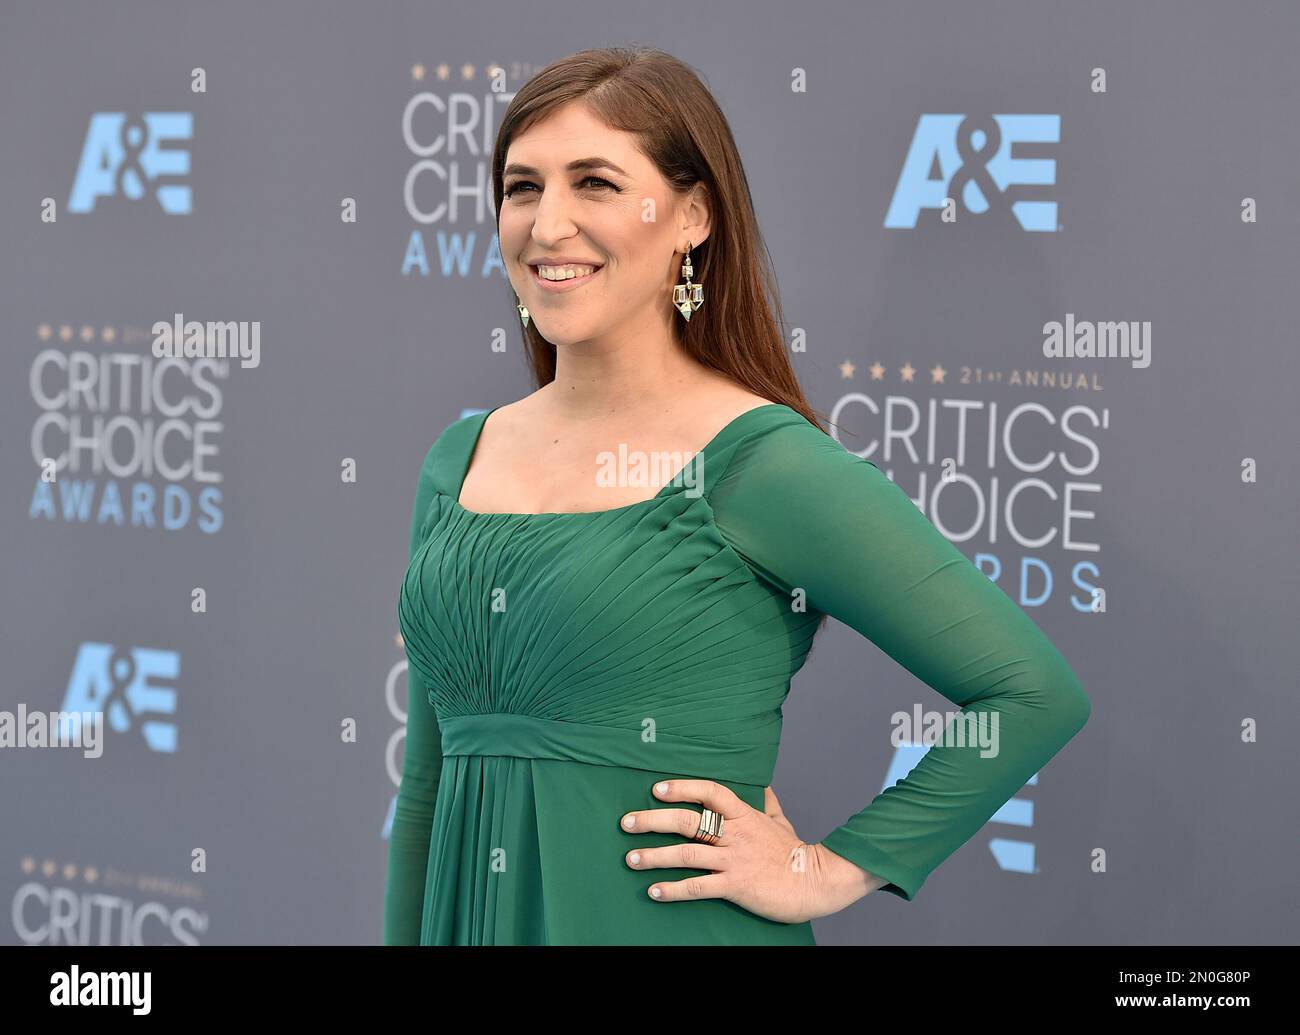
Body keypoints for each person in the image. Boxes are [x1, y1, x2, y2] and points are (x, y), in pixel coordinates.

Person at [384, 46, 1090, 945]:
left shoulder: (764, 464)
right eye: (522, 187)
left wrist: (823, 868)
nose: (546, 223)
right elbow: (428, 792)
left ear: (692, 215)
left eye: (594, 182)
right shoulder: (459, 457)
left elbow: (1031, 692)